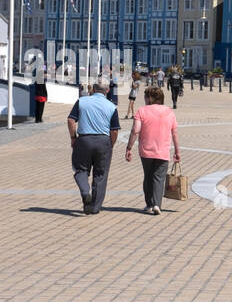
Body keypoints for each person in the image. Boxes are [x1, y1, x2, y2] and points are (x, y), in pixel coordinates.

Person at [124, 85, 180, 215]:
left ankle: (149, 204)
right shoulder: (169, 112)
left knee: (148, 176)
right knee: (159, 178)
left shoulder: (142, 111)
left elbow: (135, 130)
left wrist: (129, 147)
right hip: (163, 151)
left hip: (146, 150)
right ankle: (156, 204)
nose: (144, 99)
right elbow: (175, 133)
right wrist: (177, 151)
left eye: (145, 96)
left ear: (150, 98)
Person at [67, 81, 120, 215]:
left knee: (80, 170)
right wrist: (111, 144)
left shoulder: (82, 101)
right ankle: (95, 207)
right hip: (103, 141)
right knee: (100, 174)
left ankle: (85, 193)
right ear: (107, 91)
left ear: (93, 89)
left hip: (84, 140)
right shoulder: (112, 106)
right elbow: (114, 130)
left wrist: (73, 137)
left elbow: (71, 120)